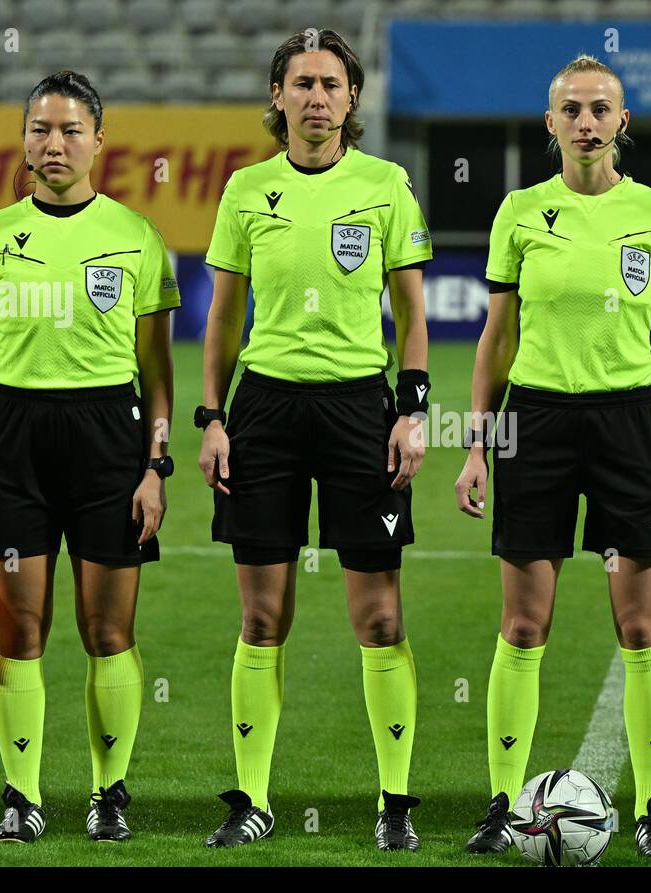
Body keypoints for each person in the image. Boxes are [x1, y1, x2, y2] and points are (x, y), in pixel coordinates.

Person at [456, 54, 651, 858]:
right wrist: (476, 447)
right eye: (573, 109)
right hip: (534, 424)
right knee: (523, 623)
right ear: (551, 123)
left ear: (622, 122)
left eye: (602, 109)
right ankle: (502, 803)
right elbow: (496, 339)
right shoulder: (520, 212)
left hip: (627, 424)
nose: (588, 122)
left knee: (641, 625)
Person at [196, 29, 432, 851]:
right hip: (264, 411)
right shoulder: (245, 190)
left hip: (359, 411)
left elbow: (411, 311)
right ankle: (251, 800)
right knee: (262, 617)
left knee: (378, 615)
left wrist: (413, 410)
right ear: (278, 96)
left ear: (352, 100)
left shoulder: (387, 185)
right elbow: (222, 317)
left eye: (331, 84)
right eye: (302, 83)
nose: (317, 98)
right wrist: (213, 418)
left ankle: (394, 803)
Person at [0, 70, 178, 843]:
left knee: (108, 632)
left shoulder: (137, 236)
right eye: (40, 129)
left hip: (110, 439)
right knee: (21, 633)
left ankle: (109, 794)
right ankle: (22, 795)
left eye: (70, 130)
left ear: (99, 142)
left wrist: (155, 466)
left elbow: (158, 372)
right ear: (24, 140)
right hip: (14, 441)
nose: (54, 144)